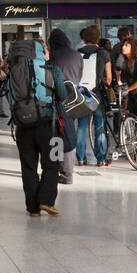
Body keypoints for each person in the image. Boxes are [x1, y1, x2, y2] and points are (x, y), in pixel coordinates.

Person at [8, 39, 61, 217]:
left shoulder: (13, 72)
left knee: (28, 166)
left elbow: (10, 98)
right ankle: (46, 200)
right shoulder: (52, 70)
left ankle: (33, 208)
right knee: (53, 161)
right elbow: (62, 95)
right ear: (40, 51)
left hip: (22, 126)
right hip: (48, 124)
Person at [47, 28, 82, 185]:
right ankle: (69, 172)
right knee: (70, 134)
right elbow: (80, 75)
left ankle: (60, 171)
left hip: (58, 99)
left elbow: (51, 75)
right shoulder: (76, 54)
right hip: (74, 99)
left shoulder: (54, 55)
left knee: (56, 135)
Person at [76, 25, 112, 167]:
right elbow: (108, 78)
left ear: (84, 37)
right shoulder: (103, 53)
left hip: (82, 93)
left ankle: (81, 159)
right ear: (97, 37)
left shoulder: (77, 52)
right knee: (99, 125)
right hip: (97, 94)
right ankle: (101, 159)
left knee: (82, 126)